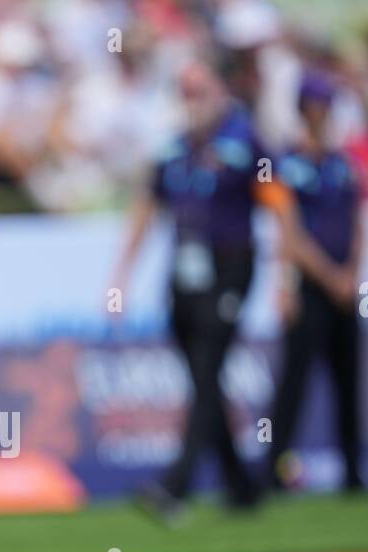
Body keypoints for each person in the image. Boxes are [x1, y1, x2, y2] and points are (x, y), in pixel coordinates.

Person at [114, 55, 289, 523]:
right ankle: (241, 485)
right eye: (186, 92)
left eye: (201, 90)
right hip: (185, 274)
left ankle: (177, 485)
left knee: (209, 367)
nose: (193, 101)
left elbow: (279, 206)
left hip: (231, 268)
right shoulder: (174, 150)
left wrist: (287, 274)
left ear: (221, 93)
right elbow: (146, 210)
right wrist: (121, 276)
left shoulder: (247, 143)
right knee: (203, 377)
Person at [266, 72, 366, 493]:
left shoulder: (343, 165)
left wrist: (352, 275)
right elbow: (289, 235)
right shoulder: (284, 165)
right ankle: (273, 466)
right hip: (310, 285)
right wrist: (318, 278)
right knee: (294, 381)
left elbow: (358, 224)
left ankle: (354, 470)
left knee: (350, 381)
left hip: (344, 286)